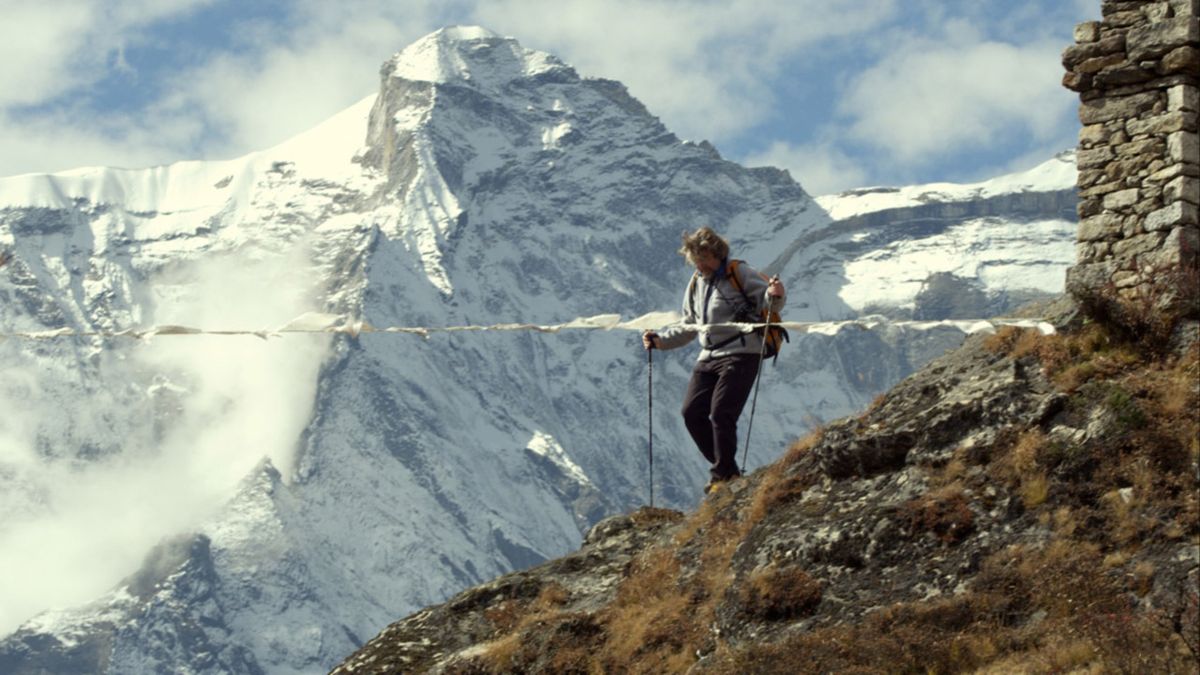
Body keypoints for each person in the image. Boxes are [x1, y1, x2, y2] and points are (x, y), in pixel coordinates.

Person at [642, 227, 786, 494]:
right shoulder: (697, 282)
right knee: (691, 413)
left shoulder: (738, 272)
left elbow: (768, 303)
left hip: (742, 353)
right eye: (695, 258)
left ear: (717, 254)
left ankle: (722, 475)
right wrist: (661, 341)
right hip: (708, 355)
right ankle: (727, 468)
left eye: (704, 257)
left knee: (722, 413)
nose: (699, 263)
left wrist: (775, 293)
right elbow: (689, 325)